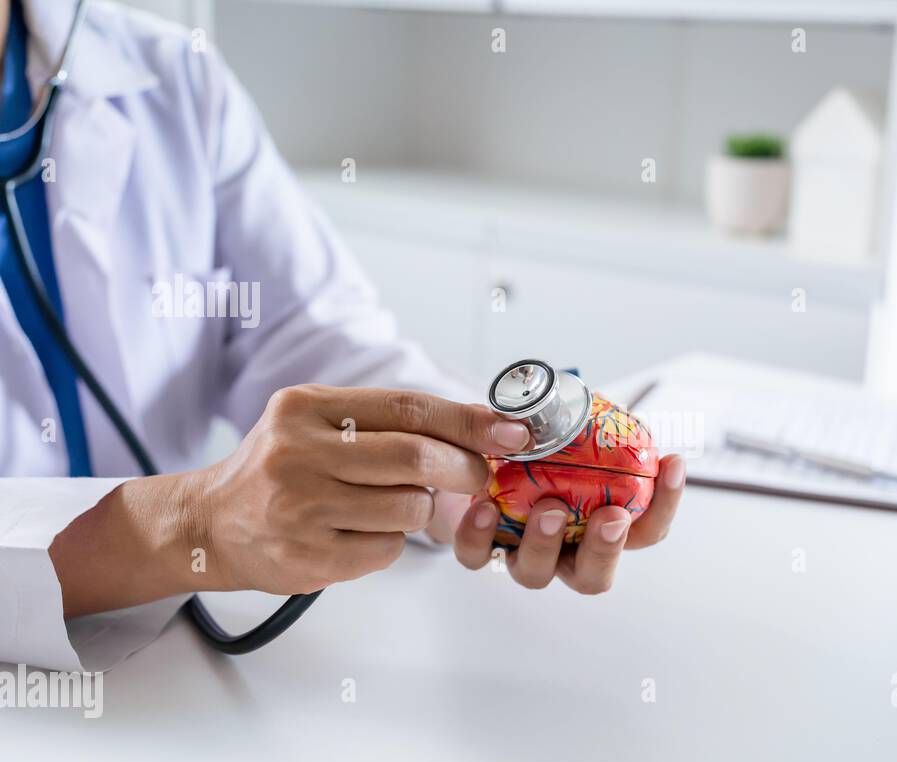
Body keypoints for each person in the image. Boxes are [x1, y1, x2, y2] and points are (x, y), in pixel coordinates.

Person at [0, 0, 684, 671]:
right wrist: (186, 526)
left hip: (167, 674)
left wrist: (468, 477)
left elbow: (309, 334)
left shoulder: (171, 76)